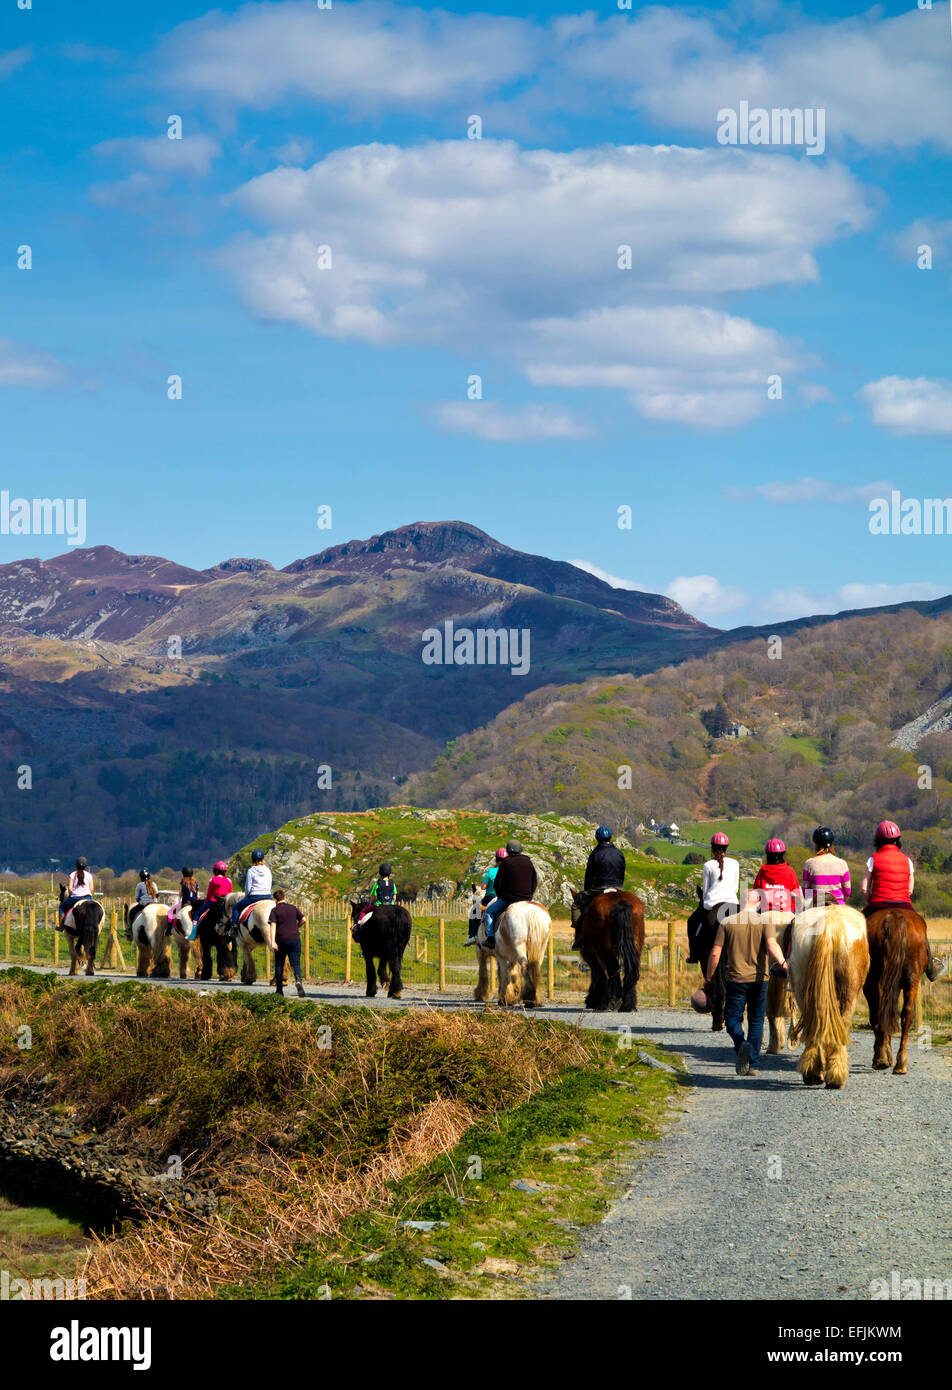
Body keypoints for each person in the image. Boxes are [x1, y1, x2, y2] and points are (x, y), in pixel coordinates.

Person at [705, 904, 788, 1076]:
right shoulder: (765, 921)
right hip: (760, 980)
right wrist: (784, 964)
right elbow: (772, 945)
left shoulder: (727, 922)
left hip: (736, 979)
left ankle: (740, 1043)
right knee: (756, 1021)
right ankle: (754, 1065)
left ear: (741, 903)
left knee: (731, 1019)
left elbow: (715, 953)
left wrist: (709, 977)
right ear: (757, 903)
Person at [861, 820, 943, 982]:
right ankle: (931, 966)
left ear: (878, 841)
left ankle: (855, 961)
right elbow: (910, 889)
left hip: (877, 904)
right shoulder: (907, 860)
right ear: (898, 840)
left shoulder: (873, 859)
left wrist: (871, 901)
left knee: (858, 928)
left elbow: (864, 888)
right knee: (921, 928)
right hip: (903, 903)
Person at [572, 826, 626, 949]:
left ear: (597, 839)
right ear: (610, 837)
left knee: (576, 905)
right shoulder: (619, 853)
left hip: (600, 888)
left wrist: (586, 891)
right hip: (618, 887)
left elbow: (589, 876)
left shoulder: (595, 854)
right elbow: (622, 872)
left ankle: (578, 938)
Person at [483, 839, 538, 947]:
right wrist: (529, 895)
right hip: (527, 899)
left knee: (488, 912)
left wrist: (501, 896)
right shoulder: (528, 862)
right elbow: (534, 881)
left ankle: (490, 938)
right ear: (520, 850)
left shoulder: (505, 862)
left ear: (508, 851)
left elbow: (498, 884)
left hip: (509, 899)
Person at [267, 889, 307, 998]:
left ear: (275, 900)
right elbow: (304, 919)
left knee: (279, 964)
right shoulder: (293, 908)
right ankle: (298, 980)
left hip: (281, 940)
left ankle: (279, 991)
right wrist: (297, 926)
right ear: (285, 898)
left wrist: (273, 941)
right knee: (296, 963)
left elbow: (273, 926)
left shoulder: (274, 911)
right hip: (295, 939)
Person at [197, 860, 233, 981]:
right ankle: (232, 932)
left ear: (215, 870)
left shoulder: (212, 880)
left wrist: (207, 902)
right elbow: (230, 894)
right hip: (224, 904)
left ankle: (193, 931)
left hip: (212, 902)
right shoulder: (229, 881)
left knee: (198, 914)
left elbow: (208, 895)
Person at [745, 839, 801, 914]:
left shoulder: (763, 870)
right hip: (786, 912)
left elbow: (756, 893)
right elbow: (796, 894)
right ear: (782, 855)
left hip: (765, 912)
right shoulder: (790, 871)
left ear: (768, 855)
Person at [801, 826, 851, 908]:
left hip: (816, 906)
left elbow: (806, 893)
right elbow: (847, 892)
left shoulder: (809, 864)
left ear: (816, 844)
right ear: (831, 844)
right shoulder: (842, 864)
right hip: (838, 906)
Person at [465, 850, 507, 946]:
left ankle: (472, 935)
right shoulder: (509, 871)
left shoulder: (491, 871)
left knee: (475, 910)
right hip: (505, 897)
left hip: (491, 896)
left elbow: (483, 887)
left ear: (496, 860)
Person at [230, 848, 273, 932]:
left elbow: (248, 887)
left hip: (254, 897)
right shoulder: (268, 870)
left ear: (252, 859)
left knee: (236, 908)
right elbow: (269, 884)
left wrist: (246, 895)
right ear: (262, 858)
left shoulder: (251, 871)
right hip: (268, 896)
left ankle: (234, 927)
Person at [59, 857, 95, 924]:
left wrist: (70, 895)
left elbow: (70, 889)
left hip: (75, 898)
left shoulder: (72, 875)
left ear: (76, 865)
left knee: (61, 907)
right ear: (85, 865)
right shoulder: (89, 875)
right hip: (87, 897)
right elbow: (92, 889)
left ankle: (61, 925)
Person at [126, 868, 158, 941]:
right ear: (149, 876)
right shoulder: (154, 884)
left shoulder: (139, 885)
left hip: (143, 905)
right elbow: (157, 894)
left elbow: (137, 898)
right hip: (154, 904)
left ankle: (129, 930)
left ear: (141, 877)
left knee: (131, 912)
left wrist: (142, 899)